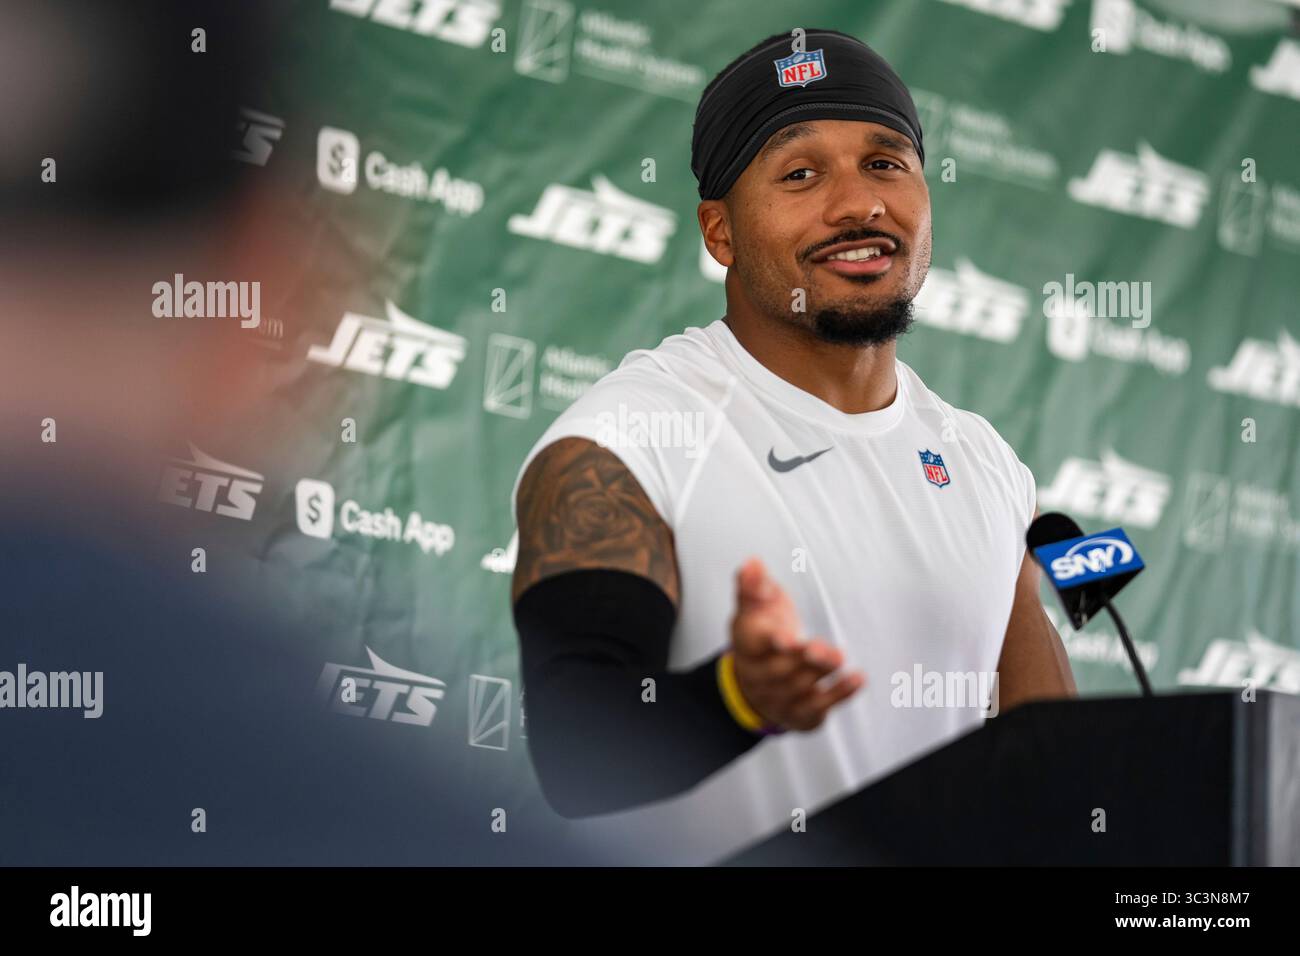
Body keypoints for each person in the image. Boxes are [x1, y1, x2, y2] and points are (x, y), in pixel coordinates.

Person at [510, 28, 1077, 865]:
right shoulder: (623, 440)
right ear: (720, 233)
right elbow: (580, 758)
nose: (860, 205)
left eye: (886, 163)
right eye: (801, 174)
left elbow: (1052, 769)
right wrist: (741, 694)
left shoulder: (989, 467)